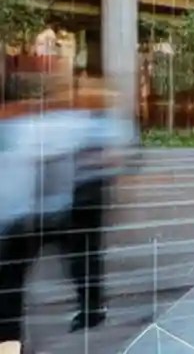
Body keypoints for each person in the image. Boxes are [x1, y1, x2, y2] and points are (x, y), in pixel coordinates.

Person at [0, 63, 132, 345]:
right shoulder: (66, 123)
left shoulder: (48, 124)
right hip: (48, 211)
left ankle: (88, 310)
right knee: (73, 262)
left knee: (73, 262)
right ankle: (88, 310)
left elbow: (119, 154)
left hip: (48, 211)